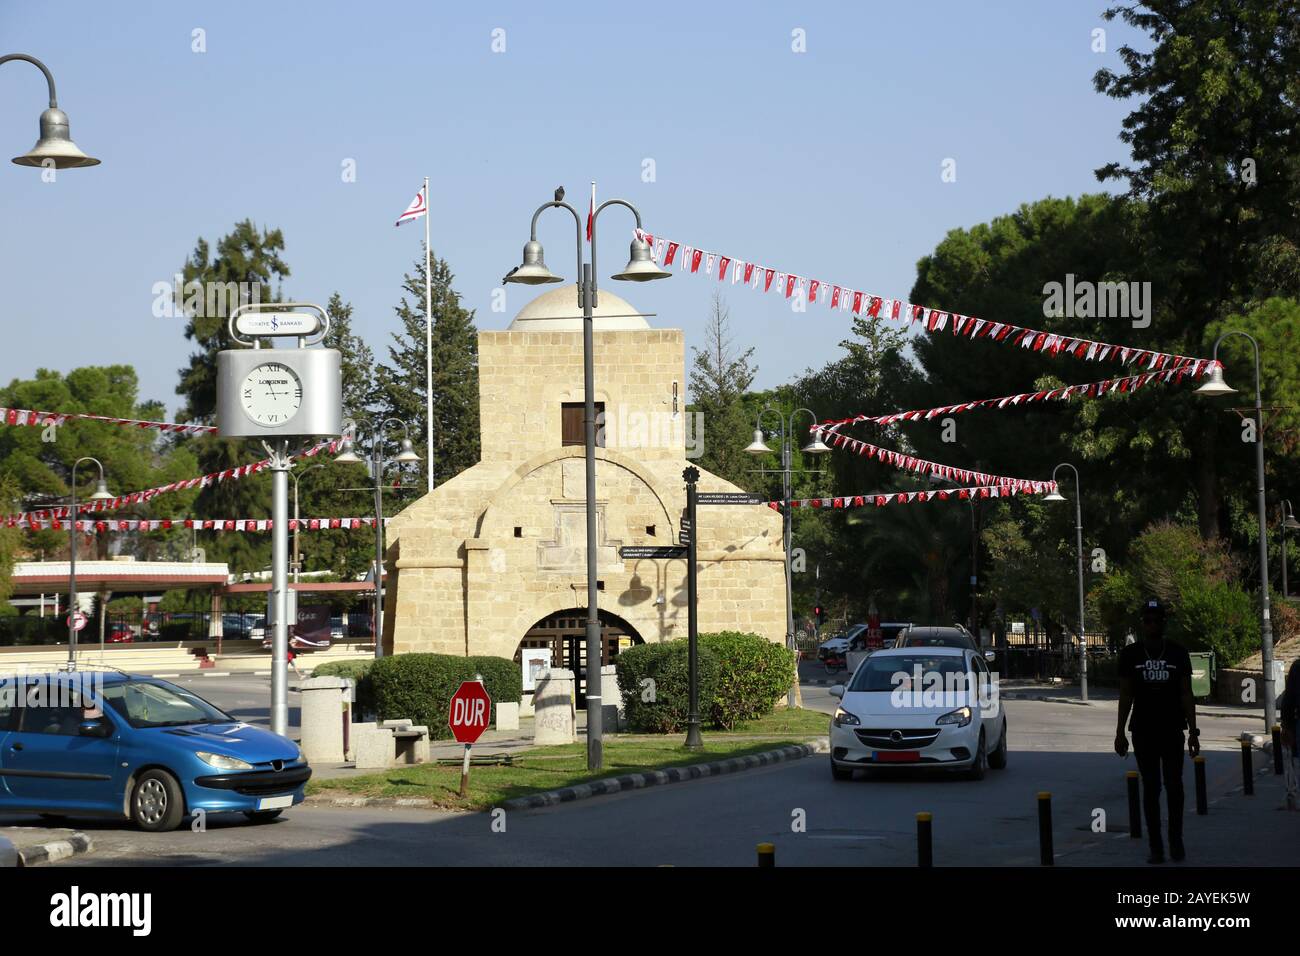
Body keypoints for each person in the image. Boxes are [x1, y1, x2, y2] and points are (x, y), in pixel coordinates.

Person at [1114, 597, 1199, 863]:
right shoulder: (1131, 655)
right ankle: (1156, 846)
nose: (1151, 625)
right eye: (1147, 621)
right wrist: (1119, 732)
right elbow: (1126, 695)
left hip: (1172, 729)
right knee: (1150, 788)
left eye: (1156, 620)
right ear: (1142, 623)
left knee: (1175, 786)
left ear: (1163, 622)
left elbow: (1187, 694)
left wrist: (1194, 732)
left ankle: (1176, 841)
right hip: (1143, 730)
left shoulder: (1177, 652)